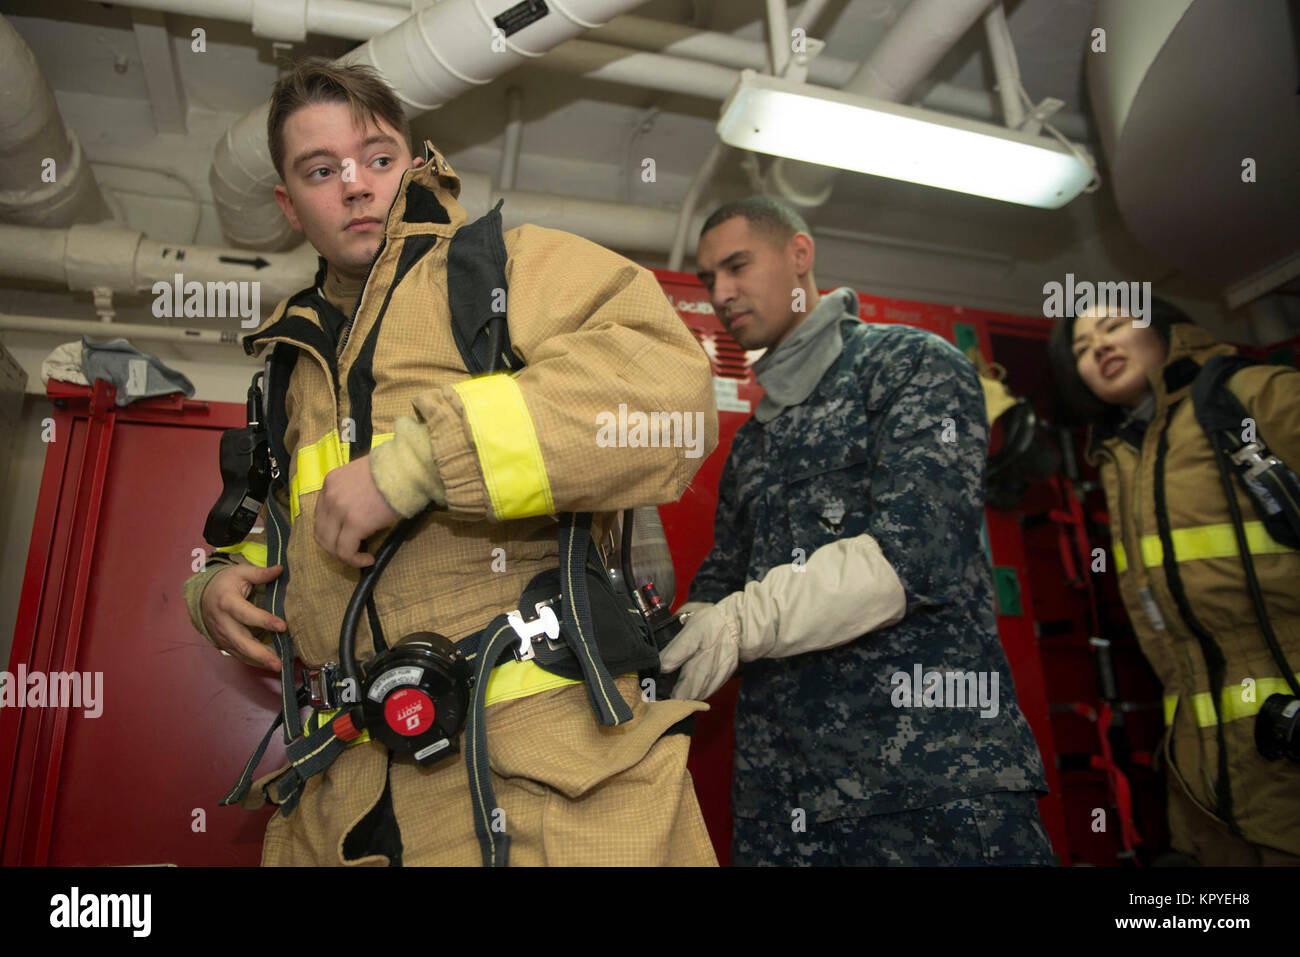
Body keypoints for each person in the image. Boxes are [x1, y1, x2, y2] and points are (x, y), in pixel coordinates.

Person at [181, 58, 720, 866]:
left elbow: (673, 401)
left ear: (417, 160)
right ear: (289, 208)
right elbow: (311, 534)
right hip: (344, 806)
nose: (357, 186)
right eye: (322, 171)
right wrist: (217, 585)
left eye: (378, 157)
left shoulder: (504, 268)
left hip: (546, 789)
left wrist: (423, 463)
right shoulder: (291, 368)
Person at [662, 196, 1053, 866]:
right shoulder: (752, 447)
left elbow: (915, 556)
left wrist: (739, 622)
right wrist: (651, 650)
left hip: (927, 795)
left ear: (799, 255)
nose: (722, 293)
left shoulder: (909, 366)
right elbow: (719, 590)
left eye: (736, 266)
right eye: (707, 281)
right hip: (784, 813)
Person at [1048, 299, 1300, 865]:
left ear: (1164, 329)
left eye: (1112, 327)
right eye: (1083, 349)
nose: (1100, 349)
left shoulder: (1254, 395)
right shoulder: (1120, 456)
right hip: (1204, 776)